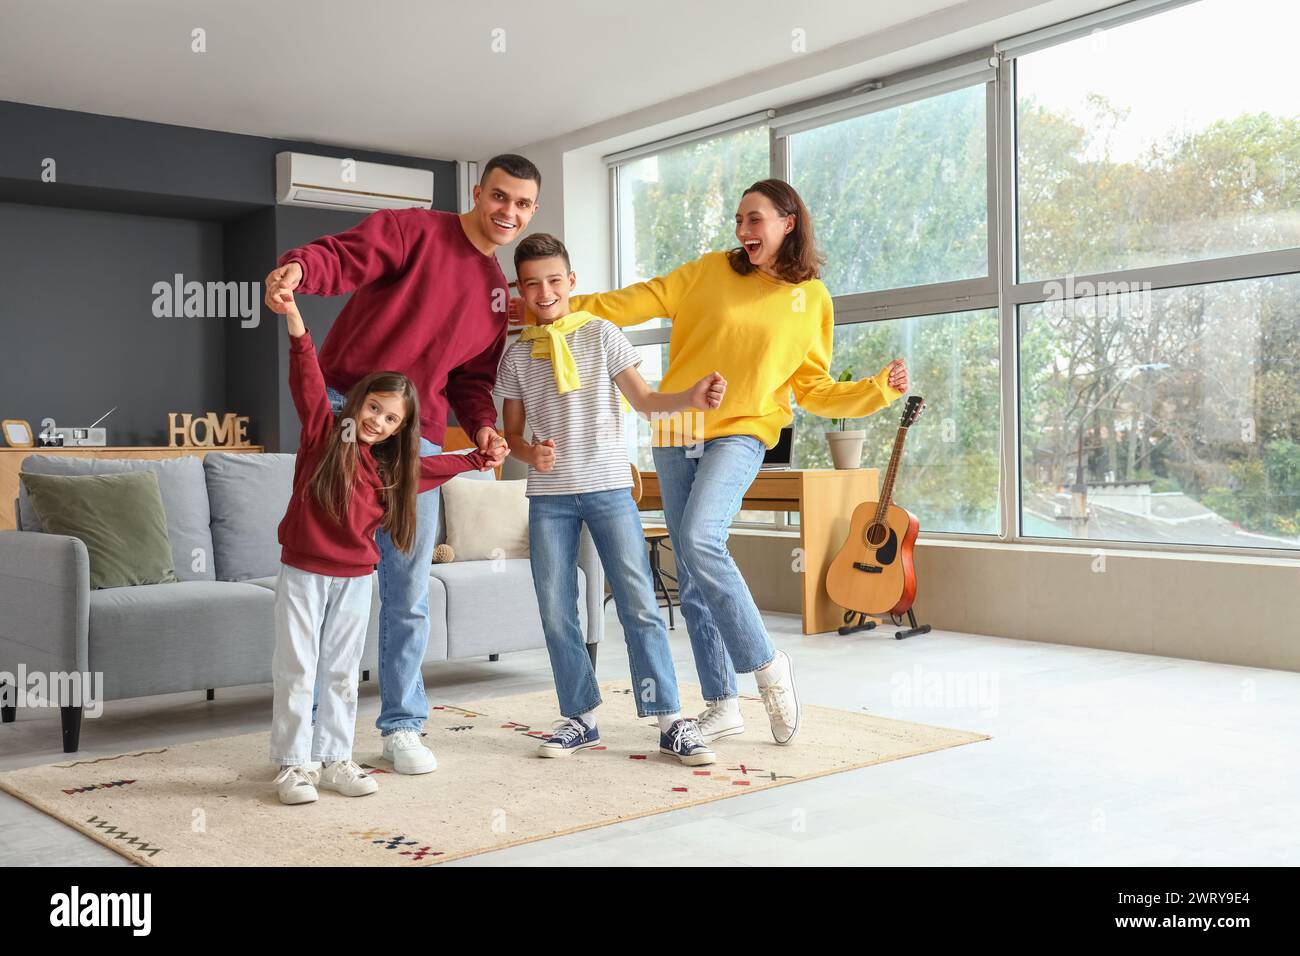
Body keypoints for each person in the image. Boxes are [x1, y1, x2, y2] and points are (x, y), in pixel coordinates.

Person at [515, 179, 909, 747]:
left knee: (701, 539)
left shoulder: (811, 300)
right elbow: (633, 301)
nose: (744, 231)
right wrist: (550, 303)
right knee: (693, 570)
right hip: (677, 428)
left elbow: (813, 387)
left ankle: (768, 667)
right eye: (739, 220)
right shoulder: (706, 272)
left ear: (788, 221)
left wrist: (877, 390)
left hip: (744, 429)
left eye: (756, 220)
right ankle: (722, 702)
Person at [263, 155, 538, 773]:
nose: (508, 213)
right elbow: (345, 254)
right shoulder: (416, 231)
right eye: (499, 197)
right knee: (328, 573)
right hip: (347, 410)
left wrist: (486, 430)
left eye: (521, 205)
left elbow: (471, 381)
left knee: (407, 587)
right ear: (478, 193)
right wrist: (300, 270)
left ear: (531, 210)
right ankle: (301, 742)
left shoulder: (499, 297)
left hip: (420, 439)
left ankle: (402, 726)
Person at [499, 233, 725, 766]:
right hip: (549, 498)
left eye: (554, 280)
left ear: (571, 282)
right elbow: (511, 436)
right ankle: (580, 718)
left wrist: (690, 397)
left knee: (638, 605)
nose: (545, 291)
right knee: (557, 611)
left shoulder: (602, 334)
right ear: (521, 290)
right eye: (532, 284)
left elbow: (646, 402)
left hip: (608, 490)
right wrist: (531, 454)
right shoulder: (516, 355)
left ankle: (670, 719)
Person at [270, 291, 487, 805]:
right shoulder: (324, 432)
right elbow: (306, 376)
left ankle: (335, 757)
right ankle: (293, 766)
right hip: (303, 571)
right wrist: (296, 322)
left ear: (399, 429)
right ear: (358, 400)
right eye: (374, 408)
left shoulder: (389, 467)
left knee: (343, 671)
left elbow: (432, 468)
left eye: (392, 419)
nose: (378, 422)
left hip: (355, 579)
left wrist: (478, 458)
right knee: (298, 667)